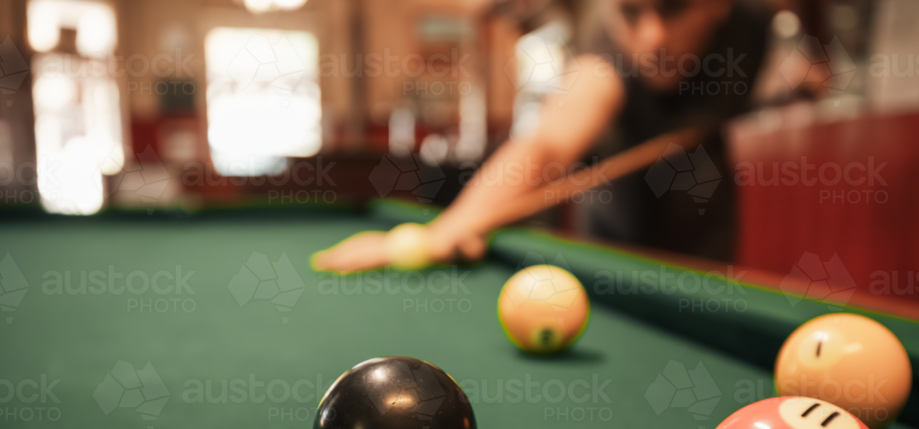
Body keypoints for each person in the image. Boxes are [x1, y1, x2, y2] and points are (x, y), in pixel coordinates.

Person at [314, 0, 771, 273]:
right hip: (618, 224)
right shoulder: (603, 56)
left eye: (673, 7)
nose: (652, 36)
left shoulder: (756, 24)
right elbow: (547, 142)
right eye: (631, 11)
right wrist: (447, 230)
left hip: (706, 212)